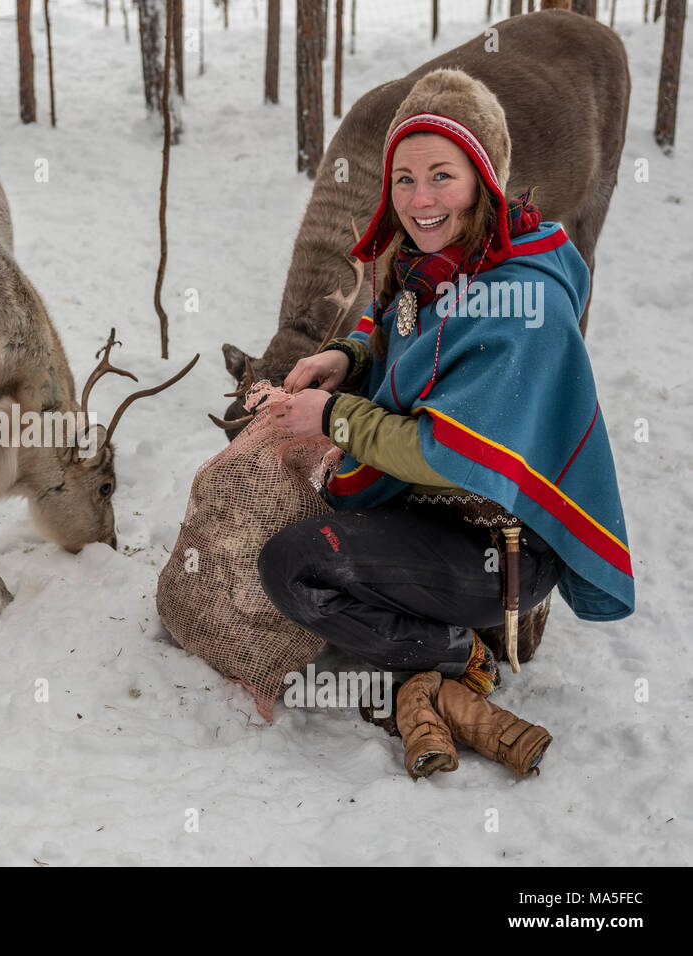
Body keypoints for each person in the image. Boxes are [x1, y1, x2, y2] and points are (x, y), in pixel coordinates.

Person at [255, 69, 635, 777]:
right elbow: (400, 329)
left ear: (484, 178)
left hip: (500, 545)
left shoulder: (523, 303)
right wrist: (347, 354)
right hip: (433, 514)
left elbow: (443, 455)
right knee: (293, 549)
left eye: (441, 176)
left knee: (292, 567)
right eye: (403, 178)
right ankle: (438, 680)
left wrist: (335, 417)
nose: (419, 200)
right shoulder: (433, 268)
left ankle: (458, 652)